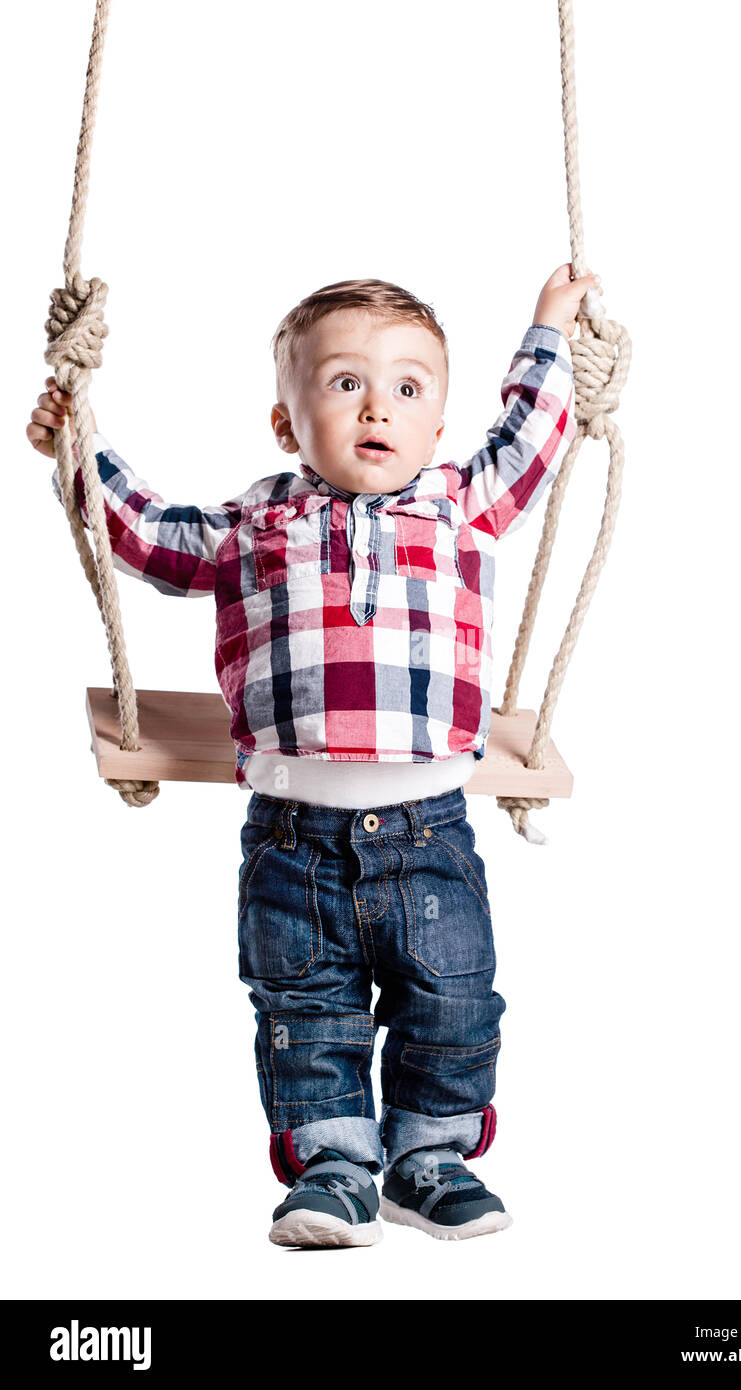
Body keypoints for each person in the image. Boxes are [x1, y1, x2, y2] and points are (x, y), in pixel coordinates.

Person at [28, 263, 601, 1247]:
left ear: (434, 424)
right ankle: (334, 1170)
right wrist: (77, 442)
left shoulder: (460, 505)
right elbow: (145, 532)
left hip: (431, 834)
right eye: (344, 383)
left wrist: (550, 327)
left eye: (407, 388)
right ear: (287, 424)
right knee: (307, 1014)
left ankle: (429, 1159)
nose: (377, 404)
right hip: (291, 841)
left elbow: (530, 444)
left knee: (453, 1002)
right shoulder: (251, 527)